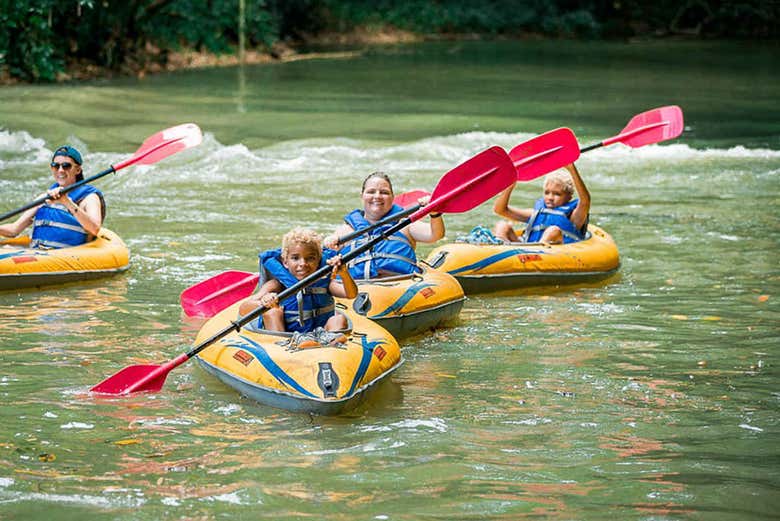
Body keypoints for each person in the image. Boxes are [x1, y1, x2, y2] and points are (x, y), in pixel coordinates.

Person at [323, 171, 445, 279]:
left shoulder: (405, 224)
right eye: (371, 192)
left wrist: (435, 214)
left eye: (384, 192)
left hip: (400, 285)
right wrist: (327, 242)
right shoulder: (345, 231)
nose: (377, 196)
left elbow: (435, 235)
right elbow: (324, 259)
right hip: (358, 288)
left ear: (392, 198)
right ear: (362, 197)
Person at [238, 227, 358, 335]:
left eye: (310, 258)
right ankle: (287, 349)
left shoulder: (325, 283)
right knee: (273, 312)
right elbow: (244, 308)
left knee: (339, 319)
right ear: (285, 262)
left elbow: (351, 294)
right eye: (295, 258)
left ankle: (329, 342)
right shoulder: (276, 285)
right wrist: (264, 302)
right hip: (286, 340)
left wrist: (344, 273)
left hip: (322, 336)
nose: (303, 264)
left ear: (318, 261)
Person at [0, 146, 104, 248]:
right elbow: (14, 230)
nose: (60, 170)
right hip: (39, 255)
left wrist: (66, 201)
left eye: (66, 166)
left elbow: (95, 229)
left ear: (78, 170)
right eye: (56, 166)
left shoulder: (89, 198)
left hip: (68, 258)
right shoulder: (45, 197)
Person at [493, 163, 590, 244]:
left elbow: (585, 201)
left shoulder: (574, 217)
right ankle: (498, 250)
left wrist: (572, 169)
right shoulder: (536, 213)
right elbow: (500, 210)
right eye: (547, 192)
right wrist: (510, 184)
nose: (550, 198)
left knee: (553, 231)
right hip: (525, 249)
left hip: (550, 254)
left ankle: (537, 250)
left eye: (557, 194)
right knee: (502, 225)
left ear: (569, 197)